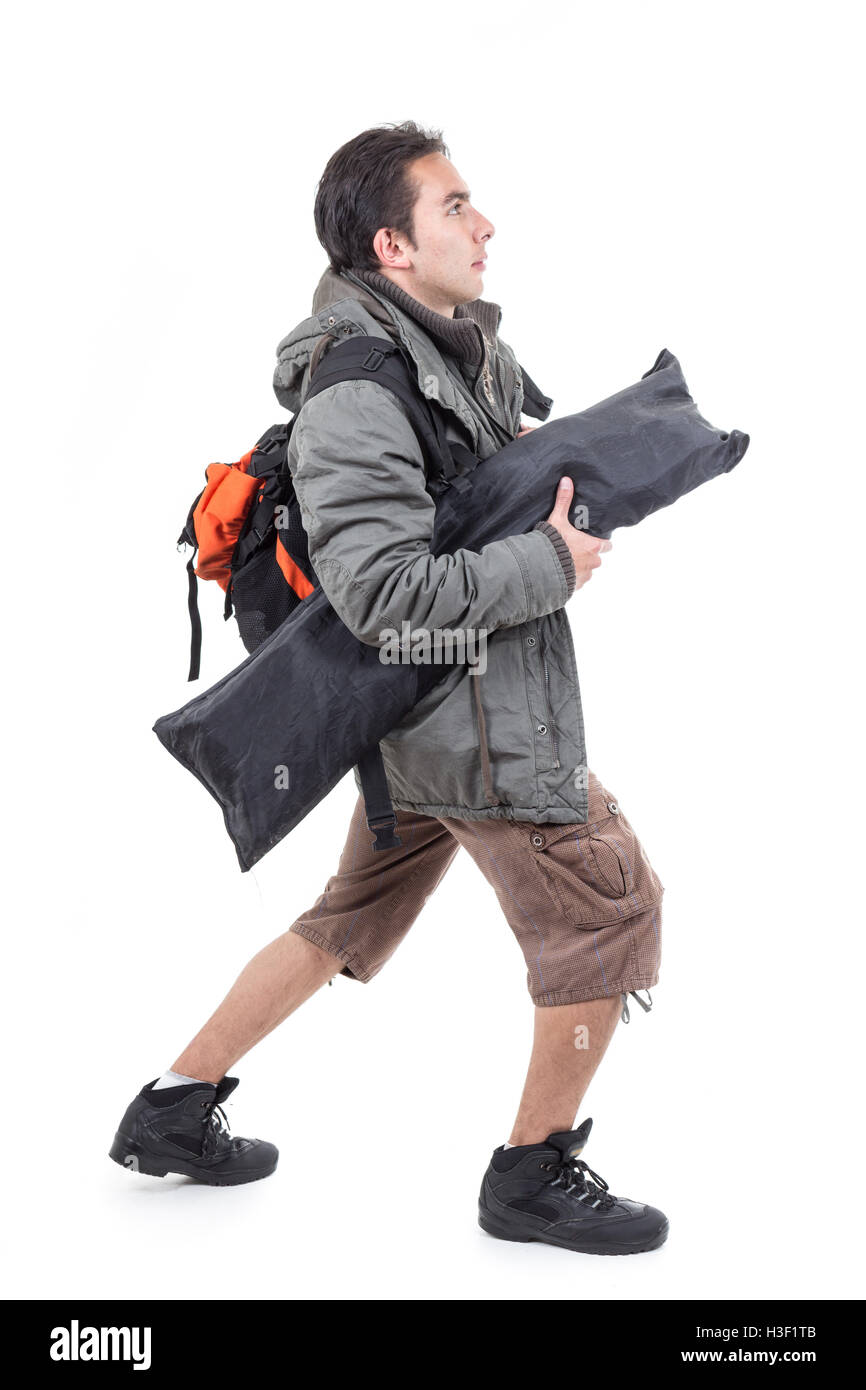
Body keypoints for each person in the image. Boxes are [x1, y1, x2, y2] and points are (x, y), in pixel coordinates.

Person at [111, 122, 668, 1255]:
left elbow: (451, 502)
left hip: (418, 721)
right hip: (472, 725)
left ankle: (171, 1106)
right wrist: (547, 563)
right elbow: (381, 593)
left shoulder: (443, 346)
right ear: (391, 244)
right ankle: (530, 1176)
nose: (485, 222)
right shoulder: (358, 391)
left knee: (341, 920)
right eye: (456, 206)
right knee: (609, 909)